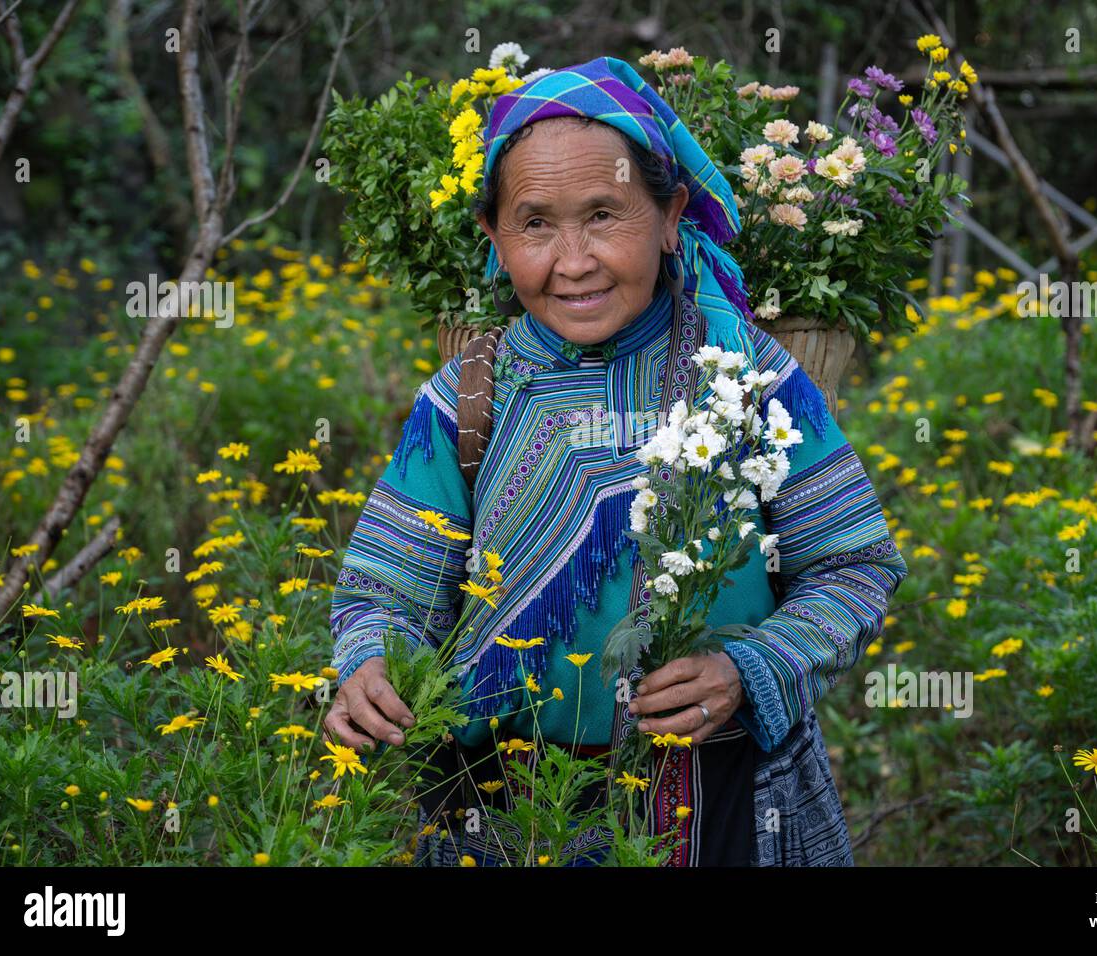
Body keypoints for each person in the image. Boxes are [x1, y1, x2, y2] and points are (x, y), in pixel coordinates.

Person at [326, 55, 908, 866]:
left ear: (671, 216)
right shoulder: (465, 398)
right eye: (535, 224)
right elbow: (383, 592)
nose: (573, 260)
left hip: (721, 801)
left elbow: (855, 566)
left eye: (604, 215)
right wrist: (368, 665)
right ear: (493, 237)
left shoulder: (747, 378)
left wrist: (752, 666)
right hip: (497, 812)